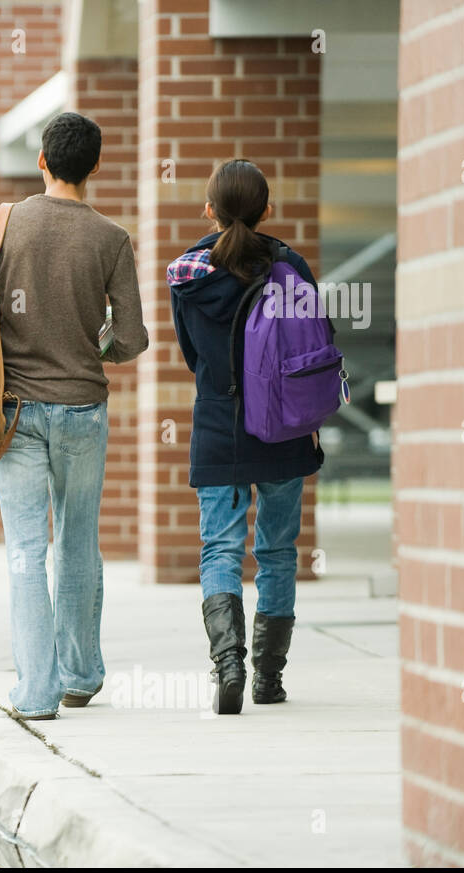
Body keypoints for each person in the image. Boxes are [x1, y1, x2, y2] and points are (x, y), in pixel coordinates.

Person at [0, 112, 148, 720]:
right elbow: (132, 338)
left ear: (41, 160)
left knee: (24, 550)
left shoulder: (2, 224)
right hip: (82, 412)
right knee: (77, 542)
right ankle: (80, 675)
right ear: (95, 166)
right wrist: (95, 345)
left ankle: (35, 694)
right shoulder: (112, 238)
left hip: (13, 412)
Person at [167, 158, 325, 715]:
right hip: (283, 427)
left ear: (209, 209)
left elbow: (191, 358)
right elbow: (312, 349)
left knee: (220, 548)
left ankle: (228, 666)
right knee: (279, 552)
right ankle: (269, 679)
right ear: (268, 210)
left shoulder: (188, 277)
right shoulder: (291, 267)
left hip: (219, 425)